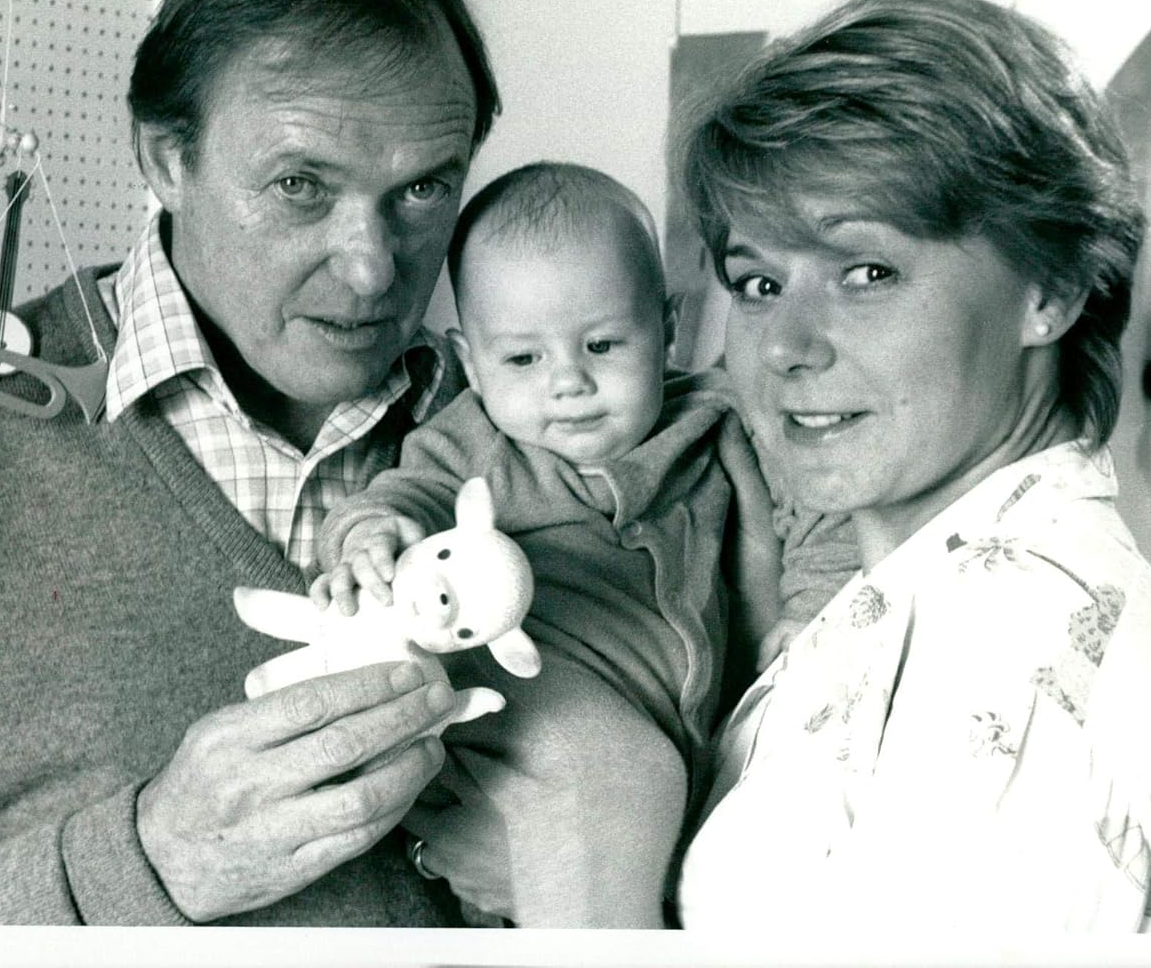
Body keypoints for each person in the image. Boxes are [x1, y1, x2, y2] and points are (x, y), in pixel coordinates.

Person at [0, 0, 504, 925]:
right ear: (167, 159)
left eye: (425, 189)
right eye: (302, 184)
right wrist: (144, 867)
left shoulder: (528, 428)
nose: (371, 266)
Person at [672, 0, 1151, 934]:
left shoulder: (1022, 679)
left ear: (1049, 287)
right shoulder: (925, 599)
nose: (782, 346)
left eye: (867, 272)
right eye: (758, 281)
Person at [305, 162, 857, 927]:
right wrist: (372, 538)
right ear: (470, 361)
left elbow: (818, 513)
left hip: (669, 746)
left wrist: (813, 614)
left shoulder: (718, 421)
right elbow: (398, 501)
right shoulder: (471, 444)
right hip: (527, 711)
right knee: (623, 775)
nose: (568, 383)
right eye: (523, 359)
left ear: (666, 326)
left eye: (601, 344)